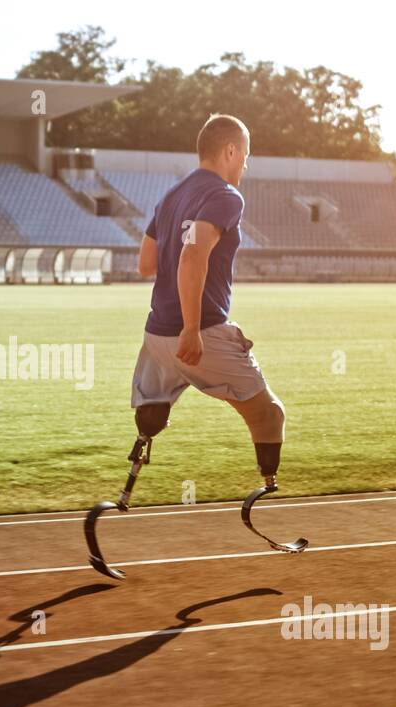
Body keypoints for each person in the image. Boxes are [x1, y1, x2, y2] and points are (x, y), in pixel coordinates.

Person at [132, 113, 286, 490]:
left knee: (155, 405)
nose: (246, 165)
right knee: (269, 415)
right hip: (198, 332)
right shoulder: (226, 195)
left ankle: (132, 473)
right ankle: (267, 489)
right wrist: (190, 328)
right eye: (245, 156)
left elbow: (145, 264)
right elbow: (192, 255)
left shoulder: (171, 196)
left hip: (155, 336)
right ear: (230, 151)